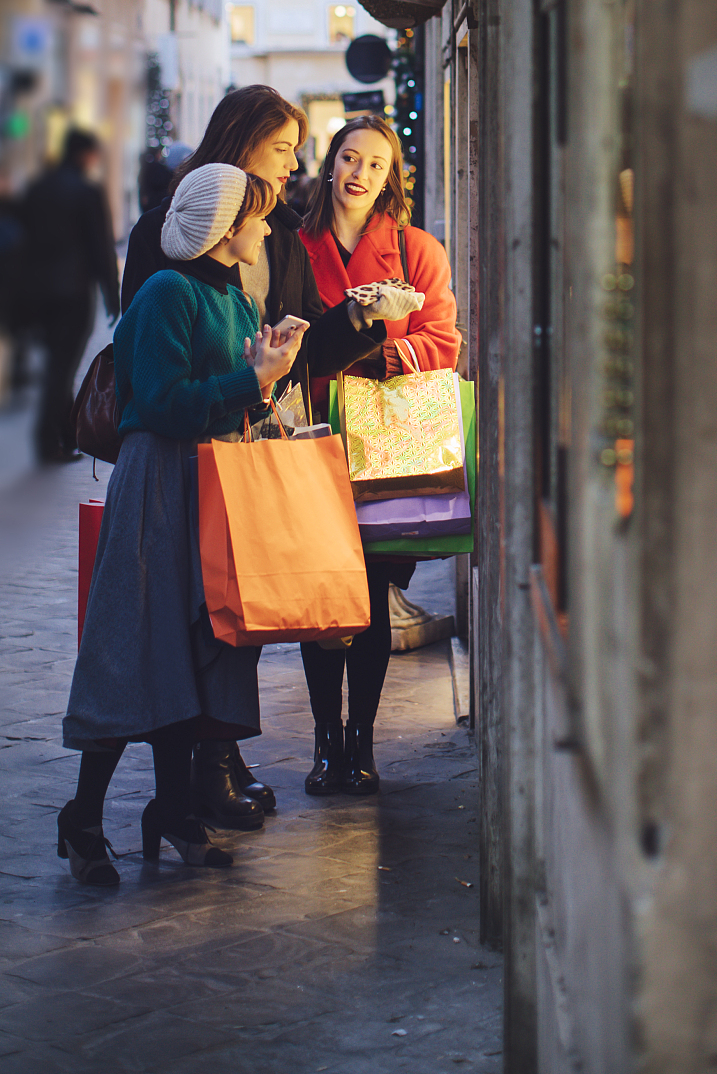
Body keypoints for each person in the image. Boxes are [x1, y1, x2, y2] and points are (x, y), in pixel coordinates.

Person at [120, 85, 406, 828]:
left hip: (252, 447)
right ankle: (186, 776)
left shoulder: (278, 231)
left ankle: (219, 762)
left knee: (236, 606)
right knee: (186, 614)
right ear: (241, 142)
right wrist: (242, 378)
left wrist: (359, 320)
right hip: (184, 454)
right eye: (281, 149)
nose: (291, 165)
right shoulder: (163, 231)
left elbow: (301, 346)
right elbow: (147, 352)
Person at [57, 166, 306, 888]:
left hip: (211, 484)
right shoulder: (167, 291)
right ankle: (83, 818)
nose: (267, 227)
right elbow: (162, 403)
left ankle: (171, 810)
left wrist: (268, 371)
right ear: (225, 229)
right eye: (258, 216)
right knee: (133, 645)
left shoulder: (234, 296)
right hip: (159, 483)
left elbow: (227, 400)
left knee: (197, 647)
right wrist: (252, 379)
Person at [299, 115, 460, 796]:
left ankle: (360, 740)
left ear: (391, 176)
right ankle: (323, 740)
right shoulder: (292, 244)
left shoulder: (416, 250)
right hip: (307, 439)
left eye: (374, 162)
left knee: (367, 596)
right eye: (348, 157)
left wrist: (377, 356)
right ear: (330, 162)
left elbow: (444, 341)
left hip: (385, 446)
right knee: (316, 594)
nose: (358, 172)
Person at [18, 128, 120, 463]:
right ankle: (50, 441)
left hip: (39, 292)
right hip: (73, 292)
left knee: (56, 364)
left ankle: (64, 435)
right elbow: (101, 246)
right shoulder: (87, 192)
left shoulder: (38, 188)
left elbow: (24, 241)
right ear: (84, 154)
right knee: (62, 368)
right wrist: (111, 294)